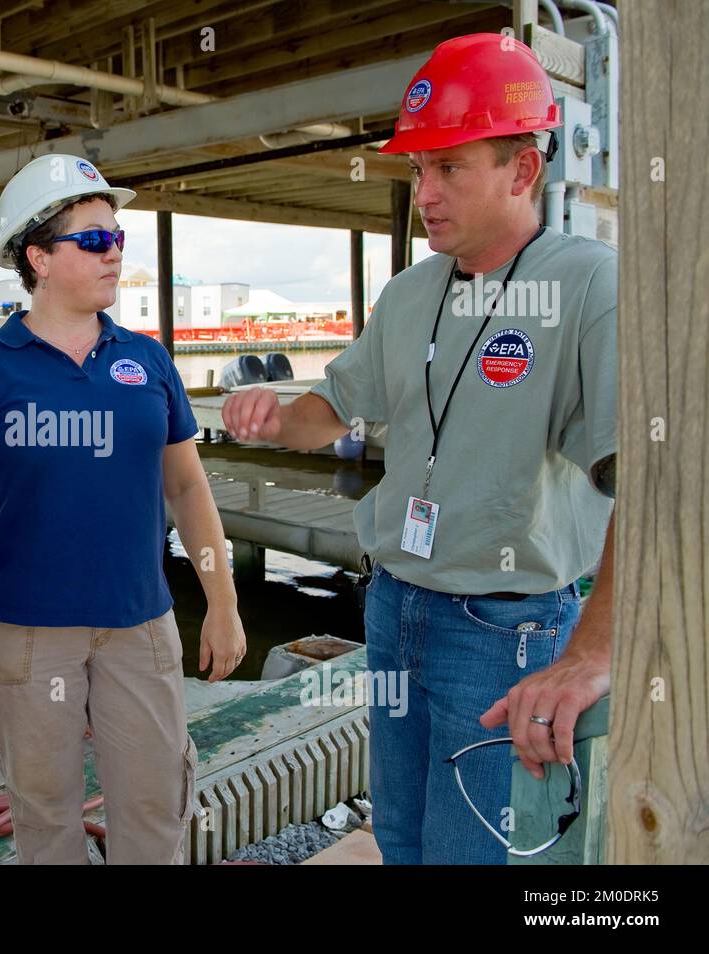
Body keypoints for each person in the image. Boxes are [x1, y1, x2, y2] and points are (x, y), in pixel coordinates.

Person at [221, 33, 616, 864]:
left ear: (522, 168)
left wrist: (592, 652)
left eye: (450, 168)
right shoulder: (410, 293)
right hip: (395, 605)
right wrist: (274, 416)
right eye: (417, 172)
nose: (425, 194)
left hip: (504, 629)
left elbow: (658, 484)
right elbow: (334, 408)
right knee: (402, 836)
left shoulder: (589, 286)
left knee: (470, 851)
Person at [0, 154, 247, 864]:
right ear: (37, 256)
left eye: (118, 237)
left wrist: (222, 600)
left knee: (157, 805)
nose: (115, 253)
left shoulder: (148, 361)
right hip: (24, 636)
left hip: (140, 626)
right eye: (94, 240)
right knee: (44, 818)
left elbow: (187, 488)